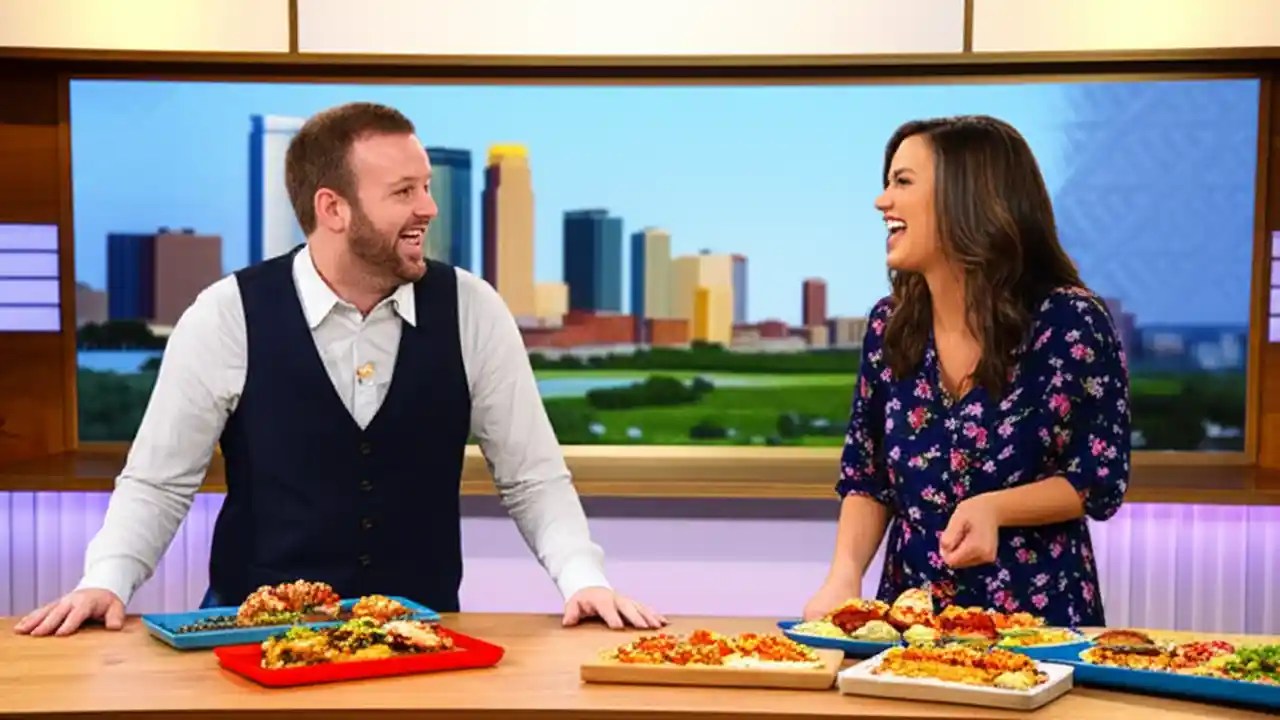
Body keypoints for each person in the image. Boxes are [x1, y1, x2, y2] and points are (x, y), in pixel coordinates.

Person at [16, 101, 665, 637]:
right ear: (333, 209)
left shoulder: (473, 308)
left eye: (427, 188)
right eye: (404, 192)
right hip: (250, 644)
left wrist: (584, 581)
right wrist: (105, 580)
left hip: (421, 641)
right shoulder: (226, 314)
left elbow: (532, 478)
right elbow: (158, 483)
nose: (428, 210)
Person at [802, 115, 1130, 629]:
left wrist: (997, 508)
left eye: (902, 182)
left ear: (968, 196)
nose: (881, 201)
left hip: (1036, 624)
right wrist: (844, 576)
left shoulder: (1070, 321)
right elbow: (868, 476)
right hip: (909, 624)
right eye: (886, 182)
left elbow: (1097, 480)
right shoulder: (890, 325)